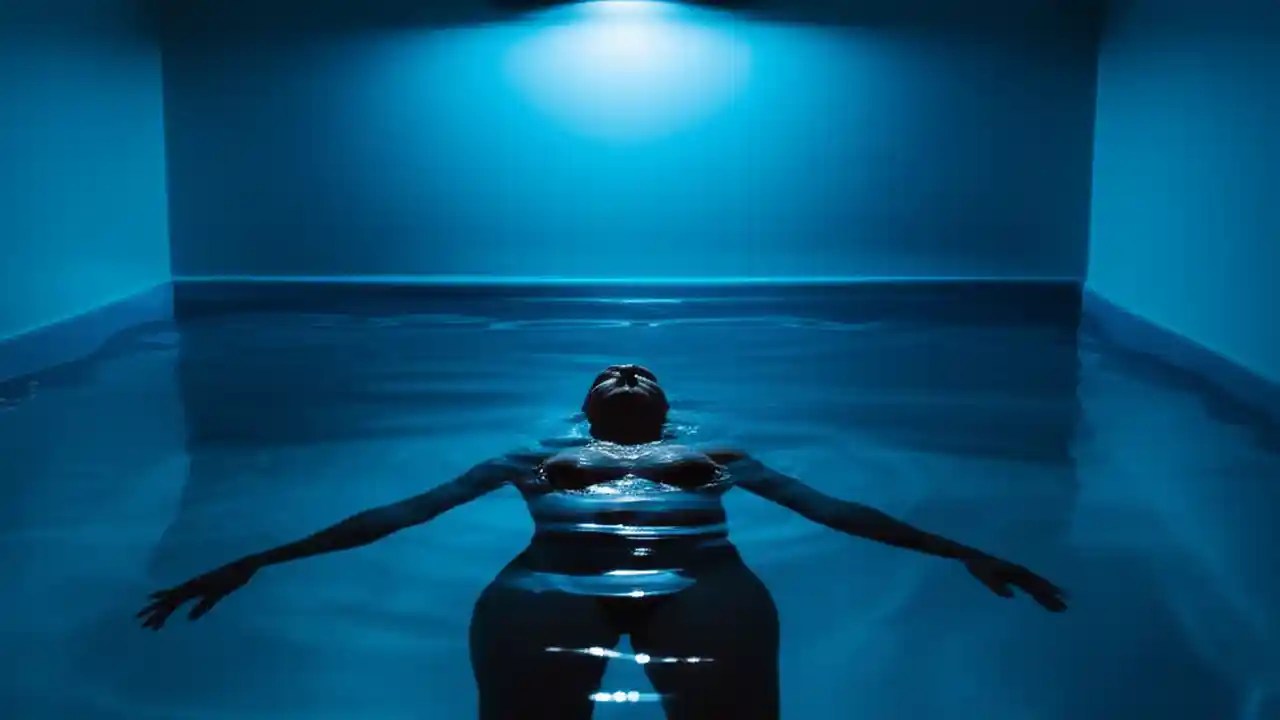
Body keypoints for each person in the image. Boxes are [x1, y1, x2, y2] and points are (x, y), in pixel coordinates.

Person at [139, 364, 1067, 719]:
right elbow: (402, 513)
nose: (626, 370)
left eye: (640, 372)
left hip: (703, 582)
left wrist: (961, 550)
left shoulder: (721, 459)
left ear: (666, 408)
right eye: (613, 373)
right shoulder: (528, 461)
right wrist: (260, 559)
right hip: (551, 586)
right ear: (585, 412)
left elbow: (837, 511)